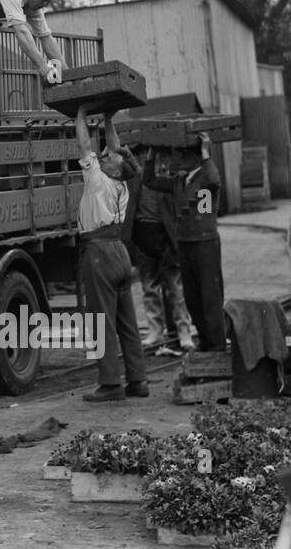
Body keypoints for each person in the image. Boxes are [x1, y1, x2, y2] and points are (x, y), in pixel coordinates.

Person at [74, 104, 147, 402]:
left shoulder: (97, 179)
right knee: (128, 322)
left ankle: (110, 384)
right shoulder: (123, 183)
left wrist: (79, 115)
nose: (103, 154)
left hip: (99, 253)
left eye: (107, 156)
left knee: (102, 320)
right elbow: (117, 149)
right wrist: (107, 118)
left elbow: (83, 143)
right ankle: (138, 381)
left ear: (113, 166)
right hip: (120, 252)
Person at [142, 132, 227, 351]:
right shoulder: (179, 181)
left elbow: (214, 180)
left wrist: (206, 153)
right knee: (191, 297)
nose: (176, 160)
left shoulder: (205, 178)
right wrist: (151, 153)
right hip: (185, 244)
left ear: (194, 158)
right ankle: (205, 340)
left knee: (210, 296)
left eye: (182, 156)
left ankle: (216, 344)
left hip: (205, 244)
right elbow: (149, 180)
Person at [123, 148, 197, 355]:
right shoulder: (138, 178)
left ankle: (184, 332)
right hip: (144, 237)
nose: (157, 163)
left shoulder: (169, 182)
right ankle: (156, 331)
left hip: (165, 238)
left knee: (175, 287)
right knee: (149, 287)